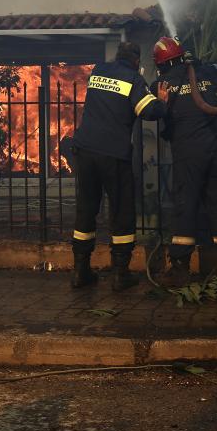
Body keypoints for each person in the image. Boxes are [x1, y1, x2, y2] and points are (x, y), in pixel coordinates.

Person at [69, 41, 168, 291]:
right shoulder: (133, 79)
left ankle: (80, 271)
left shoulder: (98, 71)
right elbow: (149, 112)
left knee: (86, 209)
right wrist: (161, 100)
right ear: (136, 60)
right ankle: (120, 274)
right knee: (122, 211)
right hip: (113, 155)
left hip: (85, 150)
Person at [150, 36, 217, 286]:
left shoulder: (162, 83)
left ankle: (179, 267)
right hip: (216, 150)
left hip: (188, 154)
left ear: (160, 64)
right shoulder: (206, 72)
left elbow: (154, 106)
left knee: (185, 205)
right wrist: (199, 63)